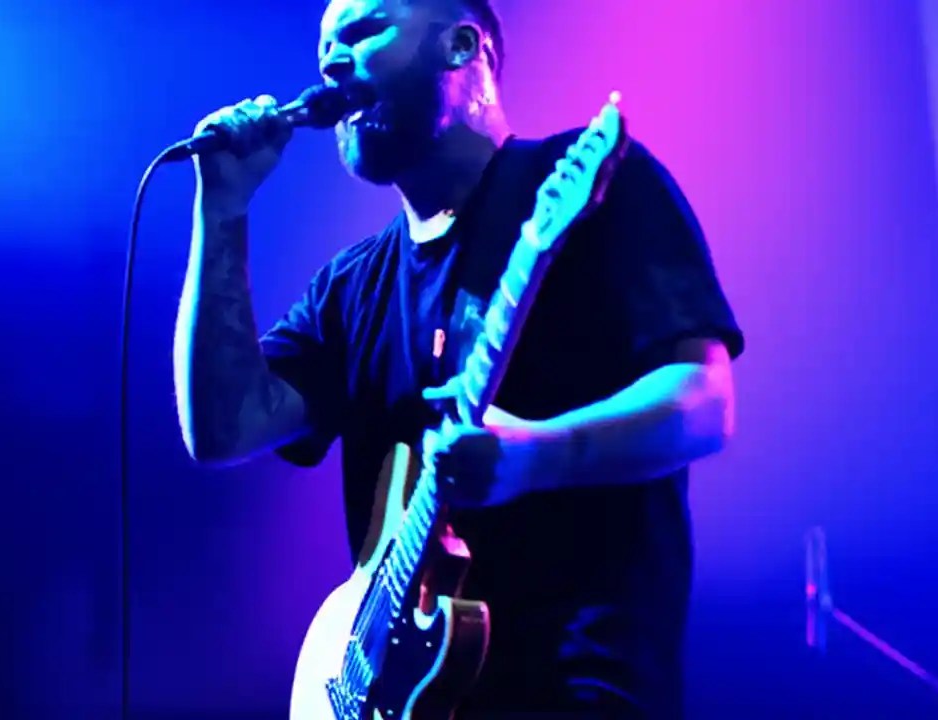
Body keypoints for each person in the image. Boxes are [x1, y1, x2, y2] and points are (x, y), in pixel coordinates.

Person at [172, 0, 743, 716]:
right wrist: (222, 209)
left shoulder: (591, 186)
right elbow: (222, 428)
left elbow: (705, 405)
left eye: (363, 30)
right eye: (324, 47)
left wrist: (541, 455)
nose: (331, 62)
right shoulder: (350, 289)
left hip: (578, 689)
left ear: (461, 46)